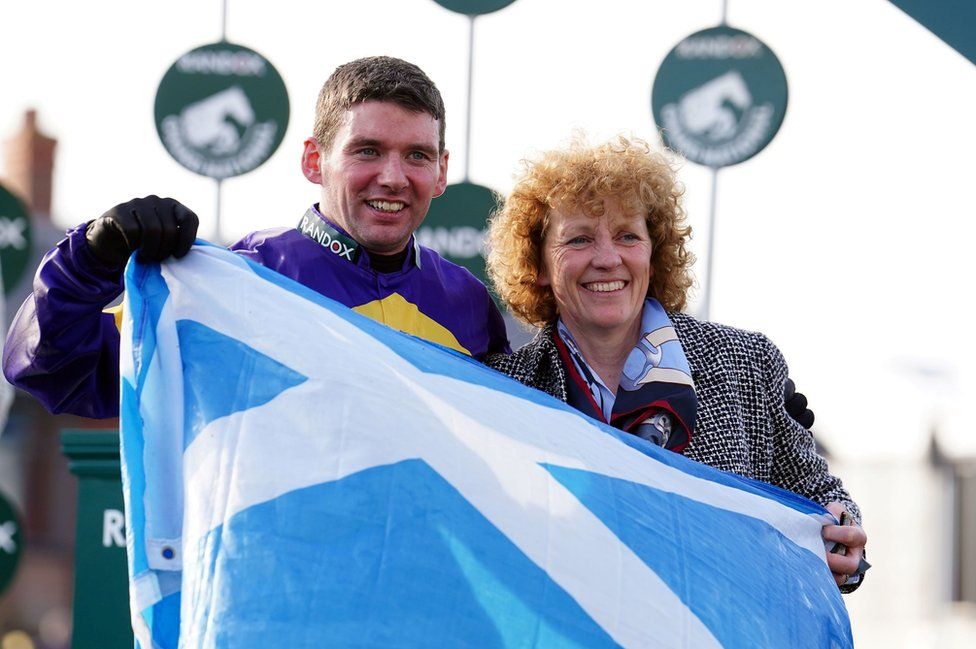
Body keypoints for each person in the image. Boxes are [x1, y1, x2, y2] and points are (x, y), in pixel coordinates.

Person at [2, 56, 510, 418]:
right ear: (315, 160)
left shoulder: (466, 303)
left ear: (441, 171)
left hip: (420, 569)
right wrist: (90, 256)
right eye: (368, 151)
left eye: (417, 155)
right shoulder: (240, 277)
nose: (394, 177)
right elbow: (55, 370)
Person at [483, 135, 868, 592]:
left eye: (628, 235)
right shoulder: (499, 392)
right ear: (539, 265)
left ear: (654, 252)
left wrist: (845, 541)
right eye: (579, 239)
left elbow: (818, 497)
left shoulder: (744, 364)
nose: (607, 259)